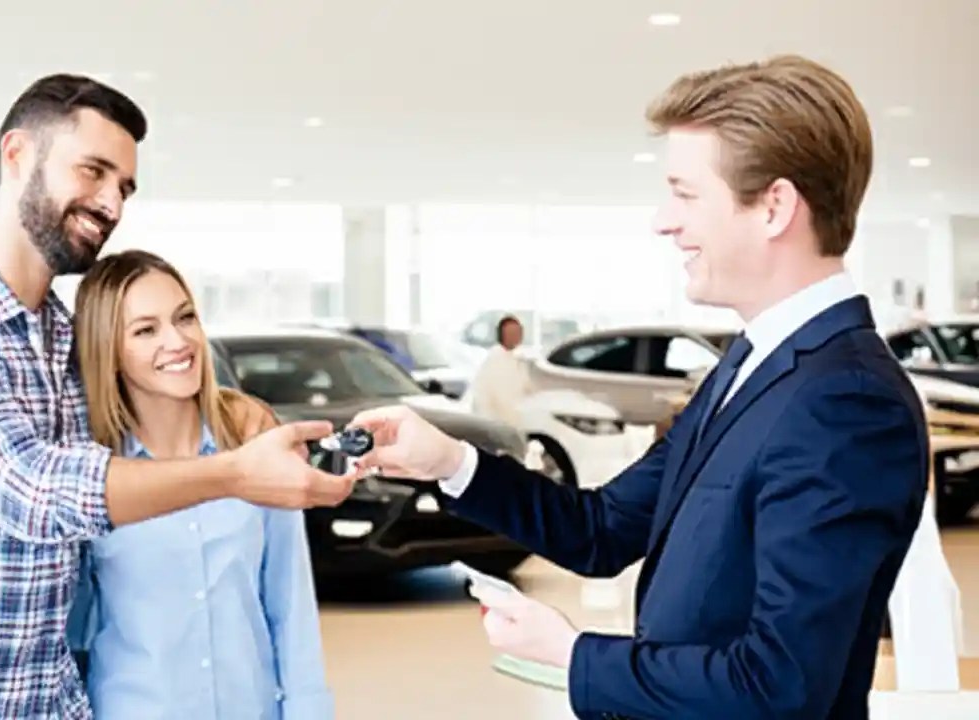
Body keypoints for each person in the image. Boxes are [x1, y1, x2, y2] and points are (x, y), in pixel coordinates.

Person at [347, 55, 928, 720]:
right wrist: (448, 461)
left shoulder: (847, 402)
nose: (663, 221)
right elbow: (603, 530)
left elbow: (780, 688)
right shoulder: (754, 362)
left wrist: (574, 657)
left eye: (685, 195)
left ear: (773, 206)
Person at [0, 74, 355, 719]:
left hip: (50, 705)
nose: (111, 202)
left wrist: (227, 411)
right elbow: (30, 489)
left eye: (125, 187)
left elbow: (147, 406)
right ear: (17, 154)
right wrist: (235, 473)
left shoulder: (67, 343)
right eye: (93, 171)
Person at [66, 249, 333, 719]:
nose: (177, 340)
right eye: (146, 330)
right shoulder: (96, 477)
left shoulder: (257, 447)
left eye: (184, 317)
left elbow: (290, 607)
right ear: (109, 352)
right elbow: (72, 633)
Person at [467, 314, 534, 428]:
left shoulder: (517, 360)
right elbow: (488, 399)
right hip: (498, 425)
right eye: (512, 333)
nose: (517, 336)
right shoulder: (494, 362)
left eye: (518, 332)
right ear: (502, 335)